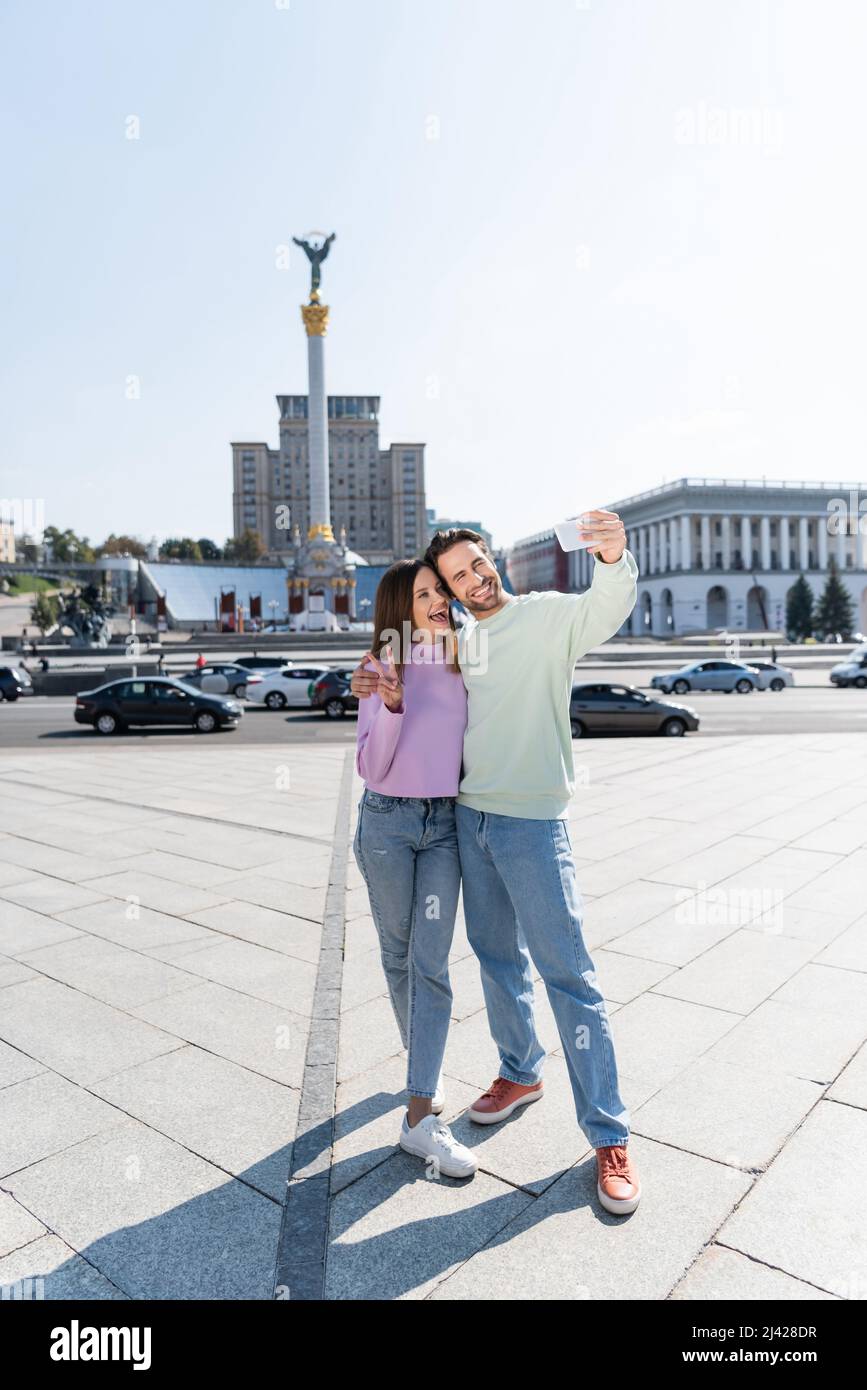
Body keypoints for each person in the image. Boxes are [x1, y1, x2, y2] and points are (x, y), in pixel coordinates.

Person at [352, 511, 642, 1215]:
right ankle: (519, 1070)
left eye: (477, 564)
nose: (472, 580)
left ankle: (608, 1135)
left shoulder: (545, 617)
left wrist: (611, 557)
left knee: (569, 976)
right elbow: (408, 702)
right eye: (456, 577)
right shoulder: (457, 642)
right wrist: (376, 688)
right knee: (493, 957)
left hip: (532, 822)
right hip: (466, 818)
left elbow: (606, 608)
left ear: (493, 563)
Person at [352, 558, 477, 1179]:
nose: (437, 602)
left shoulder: (462, 658)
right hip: (387, 825)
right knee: (398, 956)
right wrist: (392, 703)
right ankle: (421, 1071)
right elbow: (372, 769)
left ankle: (418, 1117)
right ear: (399, 608)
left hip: (445, 828)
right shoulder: (380, 667)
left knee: (431, 965)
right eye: (423, 594)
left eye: (440, 591)